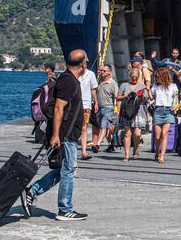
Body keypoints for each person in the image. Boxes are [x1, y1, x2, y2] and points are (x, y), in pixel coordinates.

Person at [22, 51, 88, 220]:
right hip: (64, 135)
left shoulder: (68, 79)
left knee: (62, 170)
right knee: (68, 170)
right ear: (83, 64)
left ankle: (33, 191)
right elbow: (59, 108)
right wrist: (56, 135)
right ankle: (65, 209)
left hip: (66, 134)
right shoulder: (68, 81)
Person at [115, 65, 148, 162]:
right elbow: (117, 97)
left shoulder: (142, 86)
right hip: (127, 112)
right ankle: (126, 155)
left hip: (138, 111)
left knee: (137, 134)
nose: (134, 78)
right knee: (127, 134)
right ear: (130, 76)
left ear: (138, 76)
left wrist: (145, 96)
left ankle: (136, 149)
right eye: (132, 76)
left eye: (136, 77)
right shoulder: (124, 85)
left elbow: (145, 100)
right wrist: (124, 96)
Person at [151, 66, 179, 164]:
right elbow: (152, 98)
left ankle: (162, 156)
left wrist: (176, 106)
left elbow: (176, 99)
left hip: (168, 111)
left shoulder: (173, 86)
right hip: (158, 110)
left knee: (164, 134)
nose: (156, 78)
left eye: (158, 76)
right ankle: (157, 152)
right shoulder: (155, 86)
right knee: (157, 137)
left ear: (163, 76)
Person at [91, 64, 118, 152]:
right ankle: (111, 145)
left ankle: (97, 144)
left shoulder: (113, 83)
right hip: (99, 108)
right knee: (105, 128)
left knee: (103, 127)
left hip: (109, 108)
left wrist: (116, 110)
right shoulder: (100, 81)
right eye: (101, 71)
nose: (102, 72)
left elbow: (117, 97)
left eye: (104, 71)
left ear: (109, 72)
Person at [77, 60, 98, 159]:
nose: (83, 64)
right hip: (75, 104)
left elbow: (93, 89)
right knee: (74, 127)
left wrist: (96, 102)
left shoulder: (91, 74)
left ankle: (84, 152)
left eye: (85, 62)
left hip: (86, 105)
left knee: (84, 127)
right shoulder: (75, 73)